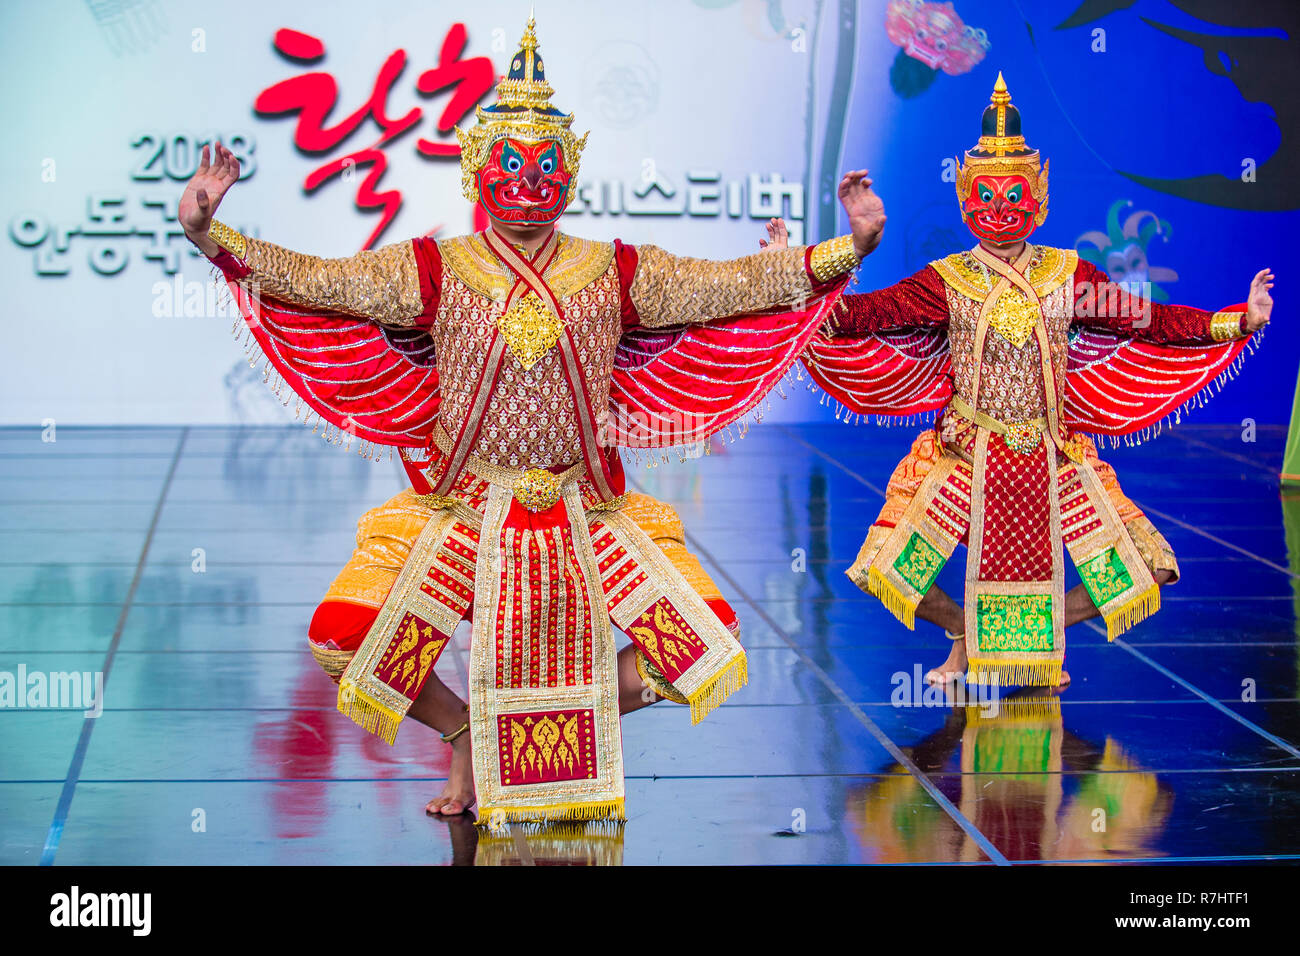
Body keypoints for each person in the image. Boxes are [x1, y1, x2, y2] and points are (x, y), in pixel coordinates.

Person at [180, 16, 885, 824]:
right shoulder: (433, 270)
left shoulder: (617, 271)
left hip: (585, 510)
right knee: (344, 637)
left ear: (571, 170)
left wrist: (848, 247)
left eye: (546, 164)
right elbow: (317, 280)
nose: (529, 179)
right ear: (479, 168)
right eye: (511, 163)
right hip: (462, 508)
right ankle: (466, 736)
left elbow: (725, 285)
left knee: (700, 644)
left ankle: (533, 733)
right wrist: (211, 234)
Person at [765, 73, 1272, 690]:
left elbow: (1151, 319)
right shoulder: (946, 279)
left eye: (1013, 197)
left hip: (1052, 452)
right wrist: (808, 267)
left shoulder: (1068, 274)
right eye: (985, 196)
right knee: (886, 571)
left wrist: (1237, 320)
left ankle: (1027, 638)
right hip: (966, 452)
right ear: (964, 198)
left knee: (1146, 567)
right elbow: (854, 319)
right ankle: (970, 632)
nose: (999, 212)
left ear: (1039, 197)